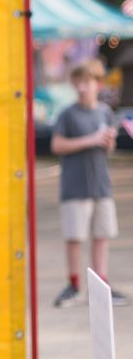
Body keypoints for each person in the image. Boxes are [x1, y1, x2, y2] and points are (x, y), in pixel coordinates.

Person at [50, 58, 127, 308]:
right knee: (75, 237)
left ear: (98, 84)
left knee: (102, 235)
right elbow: (57, 145)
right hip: (75, 186)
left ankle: (101, 285)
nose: (83, 87)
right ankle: (73, 285)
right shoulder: (67, 114)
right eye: (79, 82)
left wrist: (108, 141)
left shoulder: (105, 112)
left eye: (88, 82)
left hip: (101, 185)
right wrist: (91, 139)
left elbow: (107, 148)